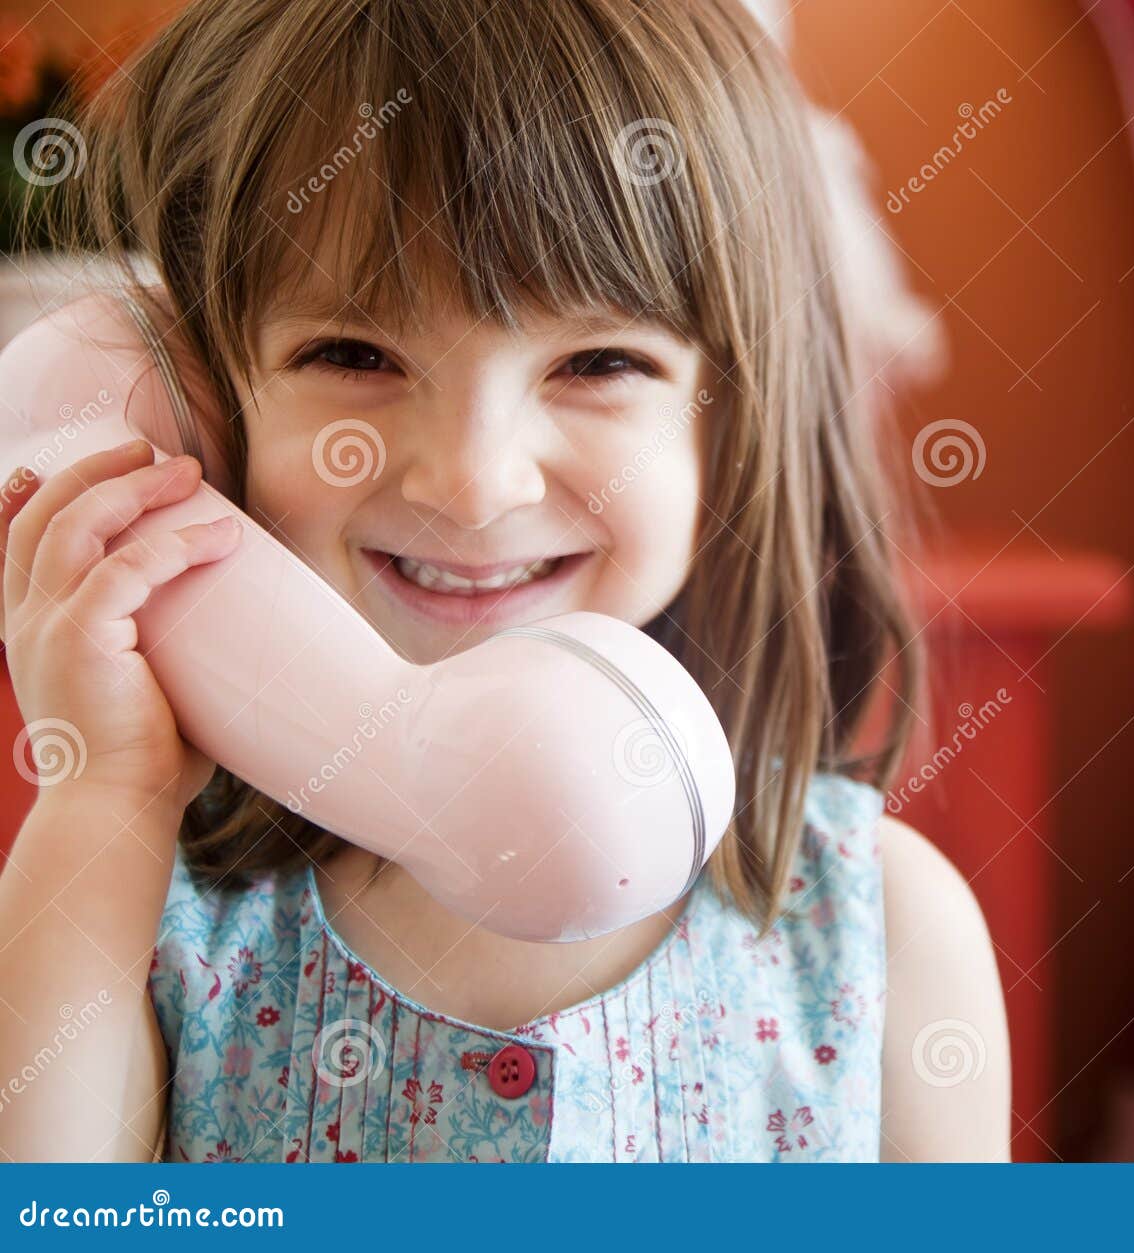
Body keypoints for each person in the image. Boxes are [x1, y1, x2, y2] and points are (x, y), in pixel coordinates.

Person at [0, 0, 1010, 1162]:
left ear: (732, 418)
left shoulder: (879, 929)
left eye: (598, 361)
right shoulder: (148, 914)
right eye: (352, 353)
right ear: (206, 413)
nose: (473, 484)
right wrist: (106, 799)